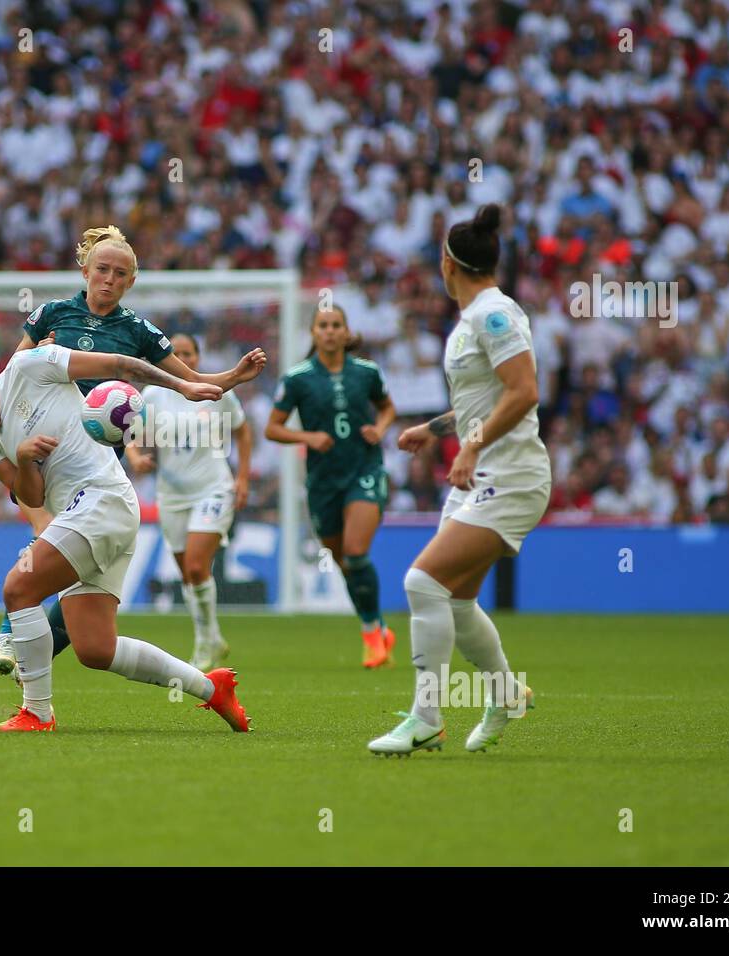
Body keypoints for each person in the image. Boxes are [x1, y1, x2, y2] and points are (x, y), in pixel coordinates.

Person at [0, 343, 252, 733]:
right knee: (96, 649)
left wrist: (183, 385)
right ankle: (211, 687)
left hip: (102, 499)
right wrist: (24, 459)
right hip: (84, 515)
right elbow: (31, 498)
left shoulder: (27, 368)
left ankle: (36, 713)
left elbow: (118, 363)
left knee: (19, 589)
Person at [0, 225, 267, 678]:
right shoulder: (52, 314)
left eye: (120, 274)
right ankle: (14, 633)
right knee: (52, 542)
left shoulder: (137, 330)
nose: (109, 279)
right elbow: (9, 379)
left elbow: (190, 381)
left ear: (131, 281)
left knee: (72, 565)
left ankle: (22, 642)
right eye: (102, 270)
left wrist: (231, 377)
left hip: (98, 461)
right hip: (45, 451)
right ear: (85, 270)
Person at [367, 204, 545, 757]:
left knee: (422, 583)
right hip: (483, 475)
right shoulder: (477, 318)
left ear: (448, 264)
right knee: (457, 602)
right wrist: (437, 426)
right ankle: (506, 694)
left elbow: (524, 392)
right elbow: (486, 400)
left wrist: (469, 444)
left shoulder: (494, 316)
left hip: (511, 476)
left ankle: (426, 719)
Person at [265, 305, 399, 668]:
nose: (329, 331)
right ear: (313, 333)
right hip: (323, 481)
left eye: (336, 325)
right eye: (322, 325)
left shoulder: (367, 373)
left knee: (356, 553)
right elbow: (272, 428)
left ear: (345, 332)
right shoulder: (297, 378)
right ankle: (378, 630)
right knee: (344, 562)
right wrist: (308, 437)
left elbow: (388, 408)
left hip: (364, 470)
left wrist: (381, 429)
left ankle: (372, 635)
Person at [126, 334, 253, 669]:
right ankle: (212, 638)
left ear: (198, 357)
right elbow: (129, 435)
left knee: (198, 566)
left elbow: (242, 430)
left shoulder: (215, 391)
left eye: (189, 353)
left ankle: (204, 643)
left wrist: (242, 478)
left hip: (213, 489)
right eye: (176, 353)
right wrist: (136, 457)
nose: (183, 359)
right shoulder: (153, 395)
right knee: (188, 574)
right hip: (172, 496)